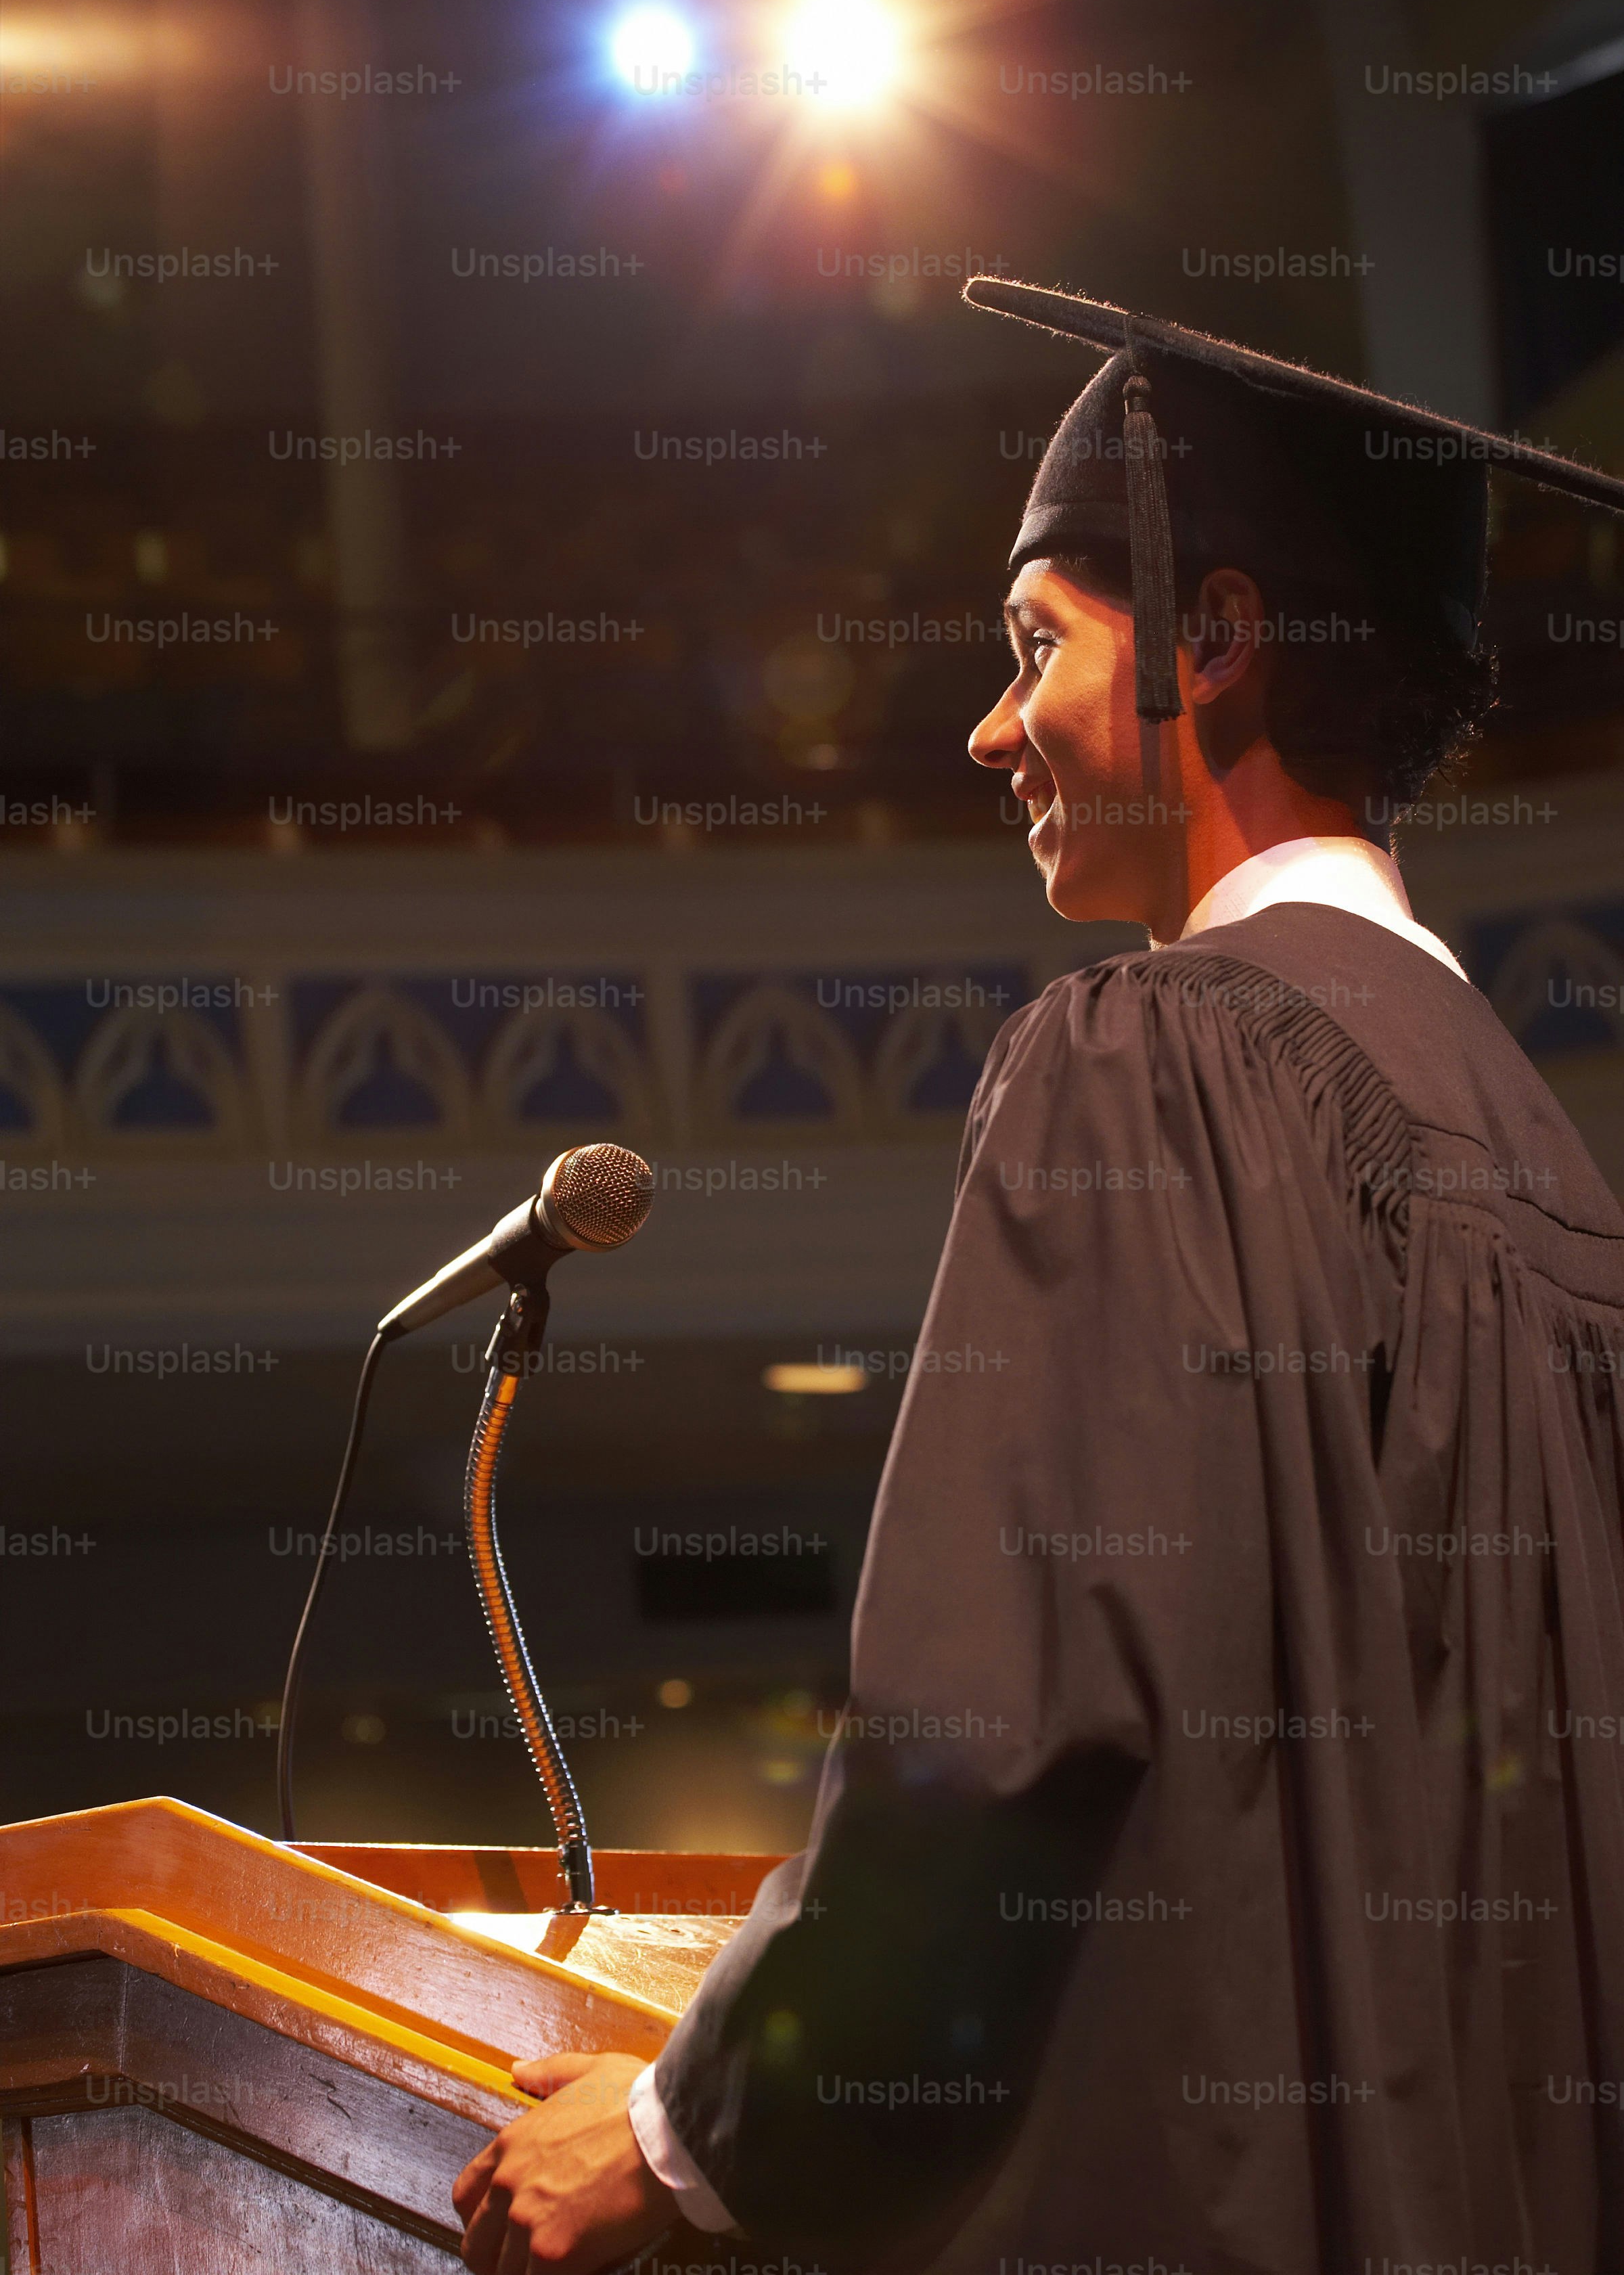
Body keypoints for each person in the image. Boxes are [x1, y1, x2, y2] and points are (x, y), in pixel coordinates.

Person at [454, 286, 1624, 2275]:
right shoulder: (1565, 1203)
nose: (990, 729)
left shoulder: (1149, 1058)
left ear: (1217, 638)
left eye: (1033, 648)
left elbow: (989, 1745)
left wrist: (681, 2136)